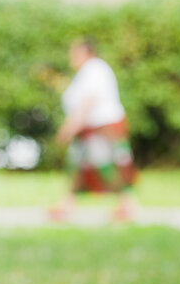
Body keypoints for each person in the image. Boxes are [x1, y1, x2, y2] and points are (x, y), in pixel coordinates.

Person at [50, 38, 138, 222]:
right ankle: (67, 205)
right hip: (89, 130)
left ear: (85, 53)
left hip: (102, 127)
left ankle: (127, 205)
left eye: (74, 53)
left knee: (108, 166)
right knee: (78, 166)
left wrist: (70, 128)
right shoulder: (86, 72)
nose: (71, 58)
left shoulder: (94, 69)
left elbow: (89, 102)